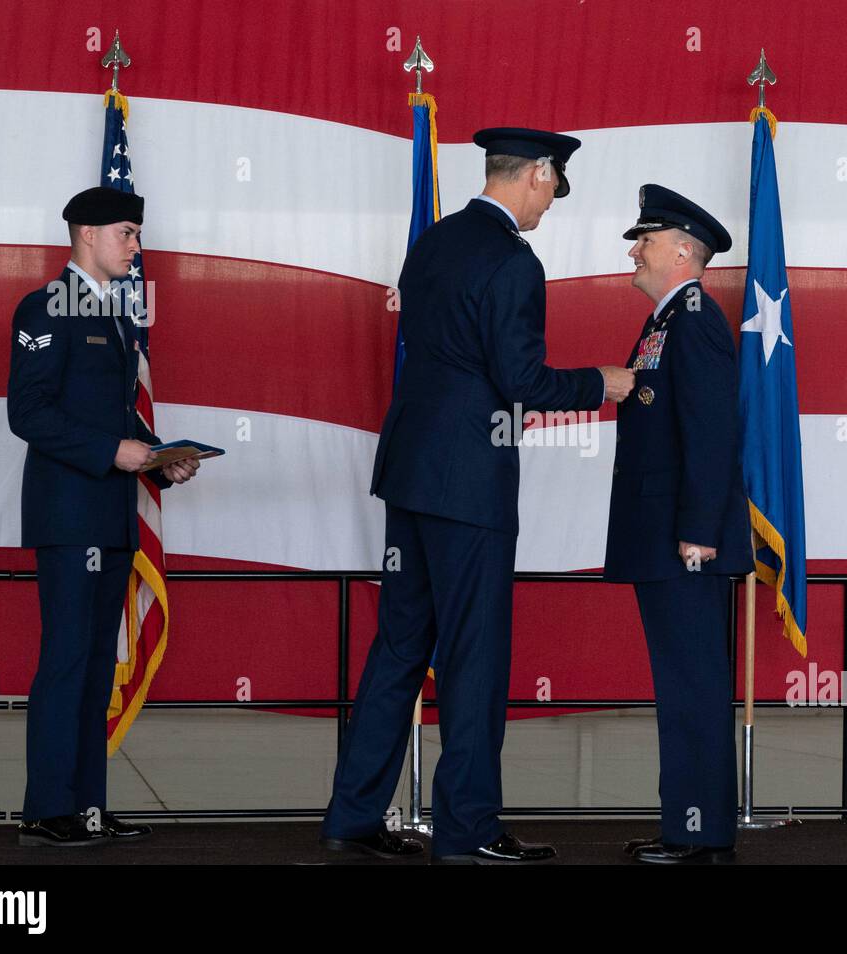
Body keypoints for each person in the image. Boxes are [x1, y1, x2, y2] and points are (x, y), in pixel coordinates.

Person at [321, 128, 635, 863]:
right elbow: (523, 382)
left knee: (398, 648)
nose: (552, 202)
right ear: (534, 174)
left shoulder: (431, 243)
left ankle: (351, 816)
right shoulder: (513, 262)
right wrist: (601, 384)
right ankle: (466, 829)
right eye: (553, 186)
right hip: (470, 484)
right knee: (474, 657)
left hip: (411, 475)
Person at [8, 186, 201, 846]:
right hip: (68, 518)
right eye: (126, 232)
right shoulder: (43, 309)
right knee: (66, 659)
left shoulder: (115, 316)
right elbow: (27, 414)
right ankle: (46, 806)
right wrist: (112, 451)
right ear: (85, 233)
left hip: (112, 517)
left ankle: (85, 805)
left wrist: (156, 460)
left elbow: (117, 422)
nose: (135, 245)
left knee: (95, 664)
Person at [603, 184, 753, 864]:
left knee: (692, 685)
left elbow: (711, 430)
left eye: (648, 239)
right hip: (663, 537)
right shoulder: (668, 321)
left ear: (685, 251)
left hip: (685, 542)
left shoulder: (694, 319)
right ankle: (683, 826)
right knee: (679, 685)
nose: (636, 249)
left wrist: (699, 529)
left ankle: (701, 834)